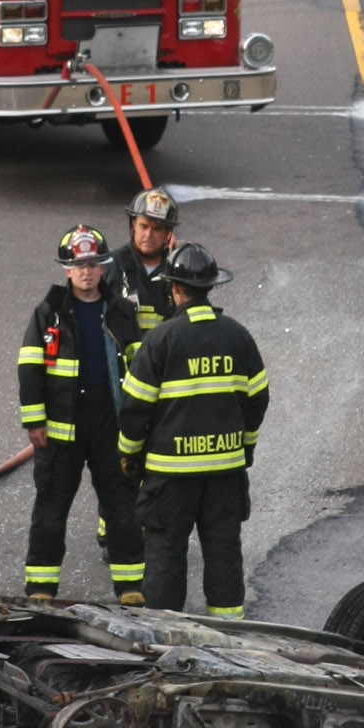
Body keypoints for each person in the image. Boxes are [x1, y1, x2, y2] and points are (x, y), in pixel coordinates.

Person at [118, 242, 270, 619]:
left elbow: (134, 409)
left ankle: (167, 635)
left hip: (170, 476)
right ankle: (228, 631)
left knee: (167, 552)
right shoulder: (238, 337)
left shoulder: (160, 340)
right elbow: (258, 399)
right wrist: (244, 448)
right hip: (225, 472)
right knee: (222, 550)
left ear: (174, 289)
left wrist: (130, 455)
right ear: (210, 288)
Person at [17, 226, 147, 604]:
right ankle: (41, 587)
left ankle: (130, 588)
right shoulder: (48, 314)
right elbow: (29, 368)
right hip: (61, 429)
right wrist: (35, 421)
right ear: (66, 270)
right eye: (79, 265)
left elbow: (137, 369)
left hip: (110, 423)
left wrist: (137, 423)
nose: (87, 272)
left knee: (121, 504)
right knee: (51, 507)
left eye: (93, 264)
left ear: (104, 268)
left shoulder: (122, 312)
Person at [111, 186, 178, 334]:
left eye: (157, 229)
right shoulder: (112, 265)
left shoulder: (177, 270)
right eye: (144, 226)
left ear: (168, 232)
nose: (149, 235)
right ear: (133, 225)